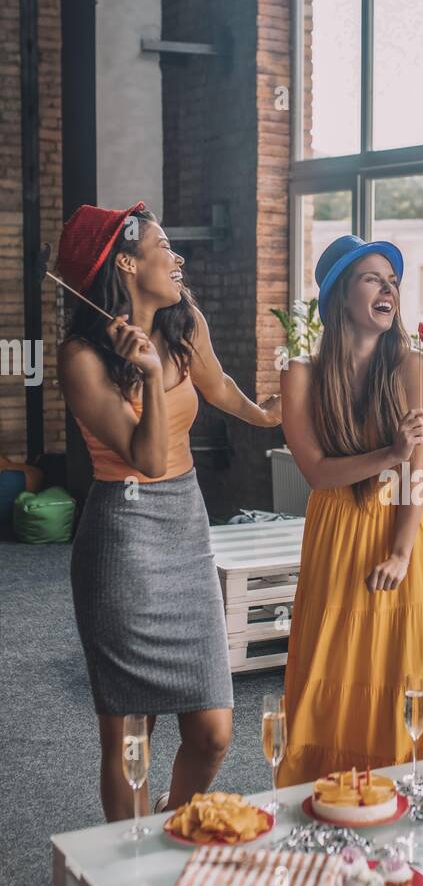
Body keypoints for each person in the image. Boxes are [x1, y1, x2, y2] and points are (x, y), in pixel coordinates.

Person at [57, 202, 282, 821]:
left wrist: (264, 416)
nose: (177, 257)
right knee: (132, 736)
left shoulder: (184, 323)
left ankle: (173, 821)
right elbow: (147, 460)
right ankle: (128, 867)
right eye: (164, 246)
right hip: (122, 537)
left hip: (185, 527)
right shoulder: (82, 358)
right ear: (127, 262)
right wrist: (152, 377)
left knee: (212, 730)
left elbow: (215, 385)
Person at [276, 233, 423, 785]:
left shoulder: (410, 367)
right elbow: (318, 471)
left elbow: (413, 477)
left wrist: (400, 552)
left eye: (392, 281)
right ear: (339, 295)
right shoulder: (300, 374)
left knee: (400, 678)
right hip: (335, 533)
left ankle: (401, 800)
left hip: (397, 533)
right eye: (372, 278)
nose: (388, 289)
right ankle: (318, 798)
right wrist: (388, 453)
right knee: (329, 669)